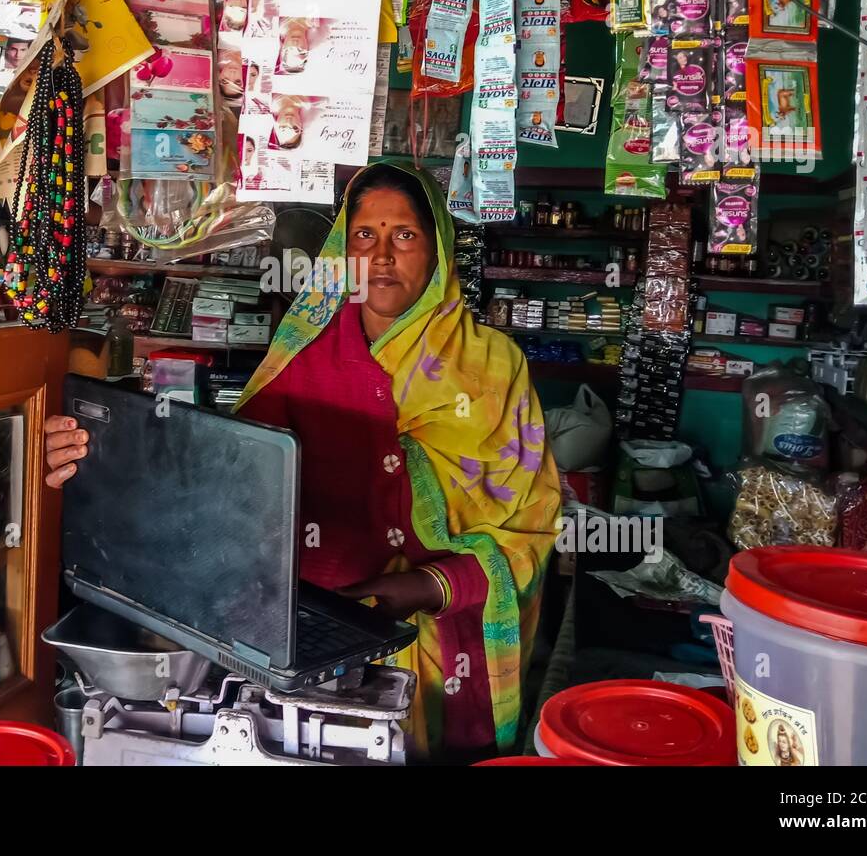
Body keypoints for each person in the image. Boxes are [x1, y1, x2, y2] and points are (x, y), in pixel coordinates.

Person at [43, 162, 561, 760]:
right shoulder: (304, 356)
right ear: (344, 250)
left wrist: (431, 585)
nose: (384, 256)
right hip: (318, 639)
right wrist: (97, 449)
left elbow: (533, 521)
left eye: (406, 235)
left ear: (438, 249)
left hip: (449, 638)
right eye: (366, 235)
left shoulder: (494, 366)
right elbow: (223, 483)